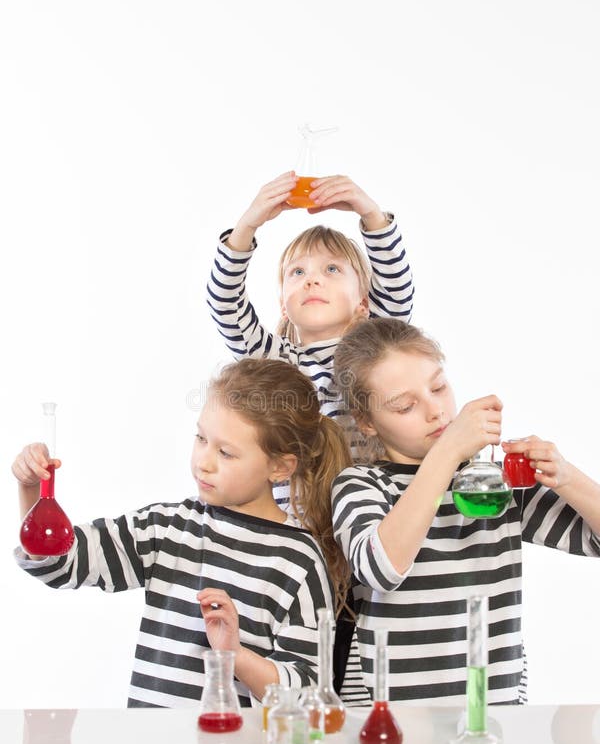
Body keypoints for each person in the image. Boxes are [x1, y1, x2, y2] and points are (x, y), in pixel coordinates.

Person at [12, 359, 350, 708]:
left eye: (226, 452)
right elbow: (59, 563)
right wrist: (32, 489)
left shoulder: (298, 560)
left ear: (280, 467)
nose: (204, 461)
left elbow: (308, 697)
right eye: (201, 438)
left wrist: (234, 654)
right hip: (151, 742)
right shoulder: (165, 528)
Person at [206, 172, 414, 703]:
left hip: (366, 536)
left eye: (331, 270)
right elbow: (226, 306)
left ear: (363, 302)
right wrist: (248, 225)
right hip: (297, 546)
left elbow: (397, 294)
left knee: (359, 666)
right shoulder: (278, 362)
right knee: (299, 666)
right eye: (297, 273)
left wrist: (370, 213)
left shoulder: (372, 357)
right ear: (283, 302)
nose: (312, 281)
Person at [331, 317, 600, 705]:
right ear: (366, 422)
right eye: (405, 406)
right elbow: (382, 568)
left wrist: (567, 476)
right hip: (390, 714)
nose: (435, 411)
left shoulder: (492, 485)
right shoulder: (361, 484)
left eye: (438, 387)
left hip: (491, 709)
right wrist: (448, 451)